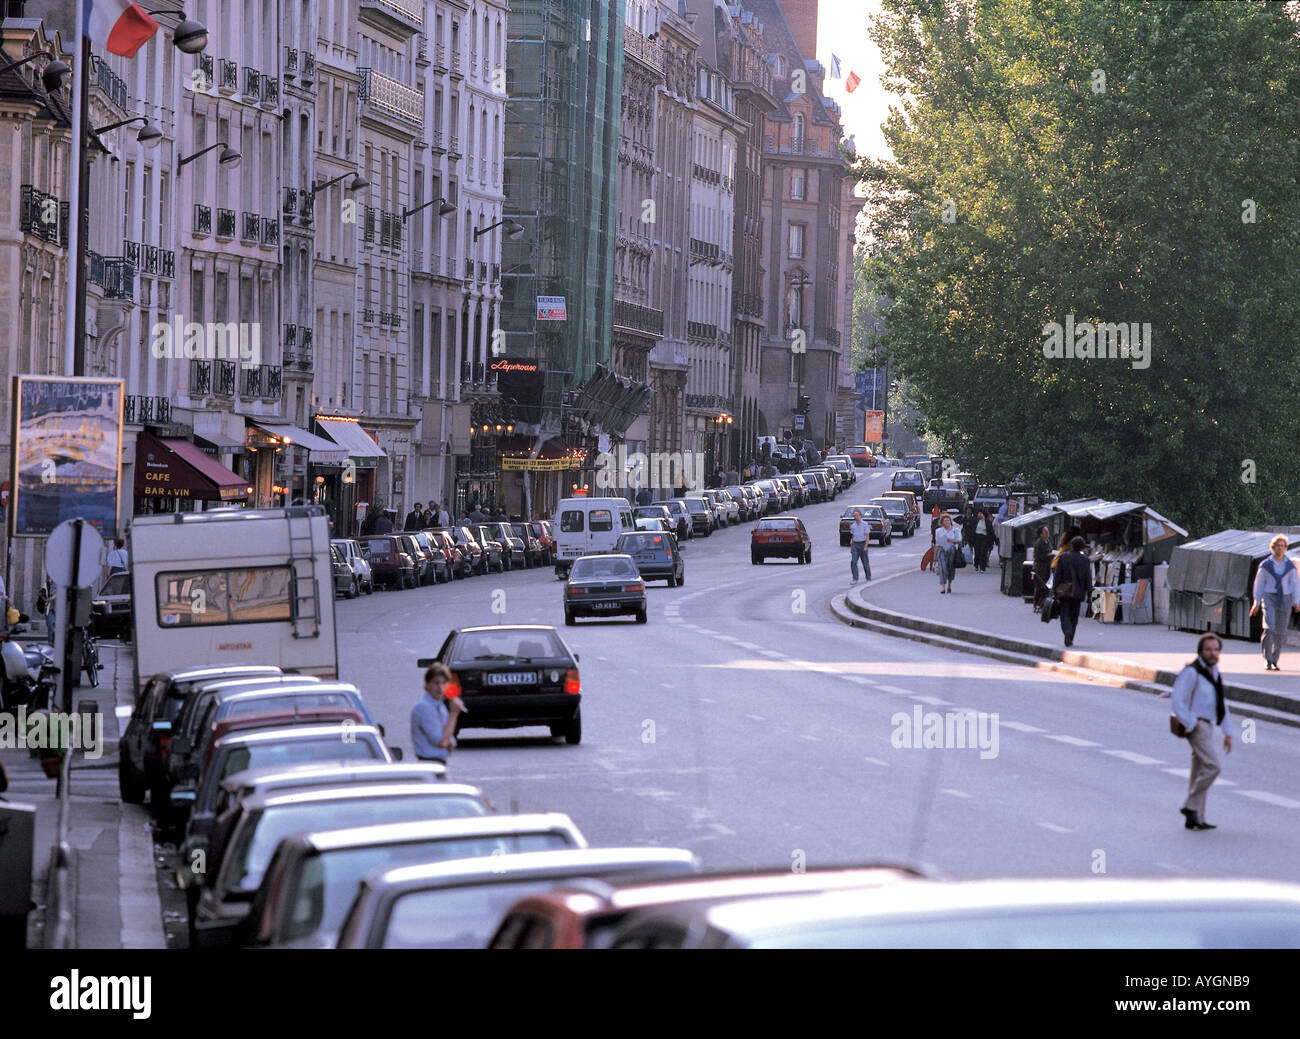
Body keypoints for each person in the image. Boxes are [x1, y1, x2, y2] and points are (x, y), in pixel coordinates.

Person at [1171, 633, 1232, 830]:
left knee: (1199, 770)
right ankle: (1190, 805)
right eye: (1208, 649)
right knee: (1213, 766)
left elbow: (1221, 703)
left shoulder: (1214, 672)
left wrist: (1227, 732)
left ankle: (1196, 818)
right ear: (1200, 651)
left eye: (1216, 649)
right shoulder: (1192, 672)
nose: (1213, 653)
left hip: (1209, 724)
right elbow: (1178, 699)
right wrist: (1191, 723)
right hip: (1197, 726)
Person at [1250, 535, 1300, 671]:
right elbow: (1259, 583)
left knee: (1281, 631)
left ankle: (1275, 658)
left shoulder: (1289, 566)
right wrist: (1256, 601)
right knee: (1269, 627)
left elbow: (1295, 584)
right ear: (1273, 548)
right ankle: (1267, 659)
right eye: (1277, 545)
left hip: (1285, 597)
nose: (1280, 548)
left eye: (1282, 545)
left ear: (1285, 548)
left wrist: (1296, 601)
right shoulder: (1266, 565)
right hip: (1269, 597)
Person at [410, 663, 466, 764]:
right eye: (436, 683)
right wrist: (454, 714)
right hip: (428, 762)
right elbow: (442, 742)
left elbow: (450, 742)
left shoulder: (440, 706)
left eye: (443, 683)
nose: (440, 688)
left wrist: (448, 740)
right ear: (426, 685)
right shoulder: (423, 707)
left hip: (440, 761)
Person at [1053, 536, 1093, 648]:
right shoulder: (1085, 560)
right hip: (1078, 592)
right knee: (1074, 616)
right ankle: (1070, 637)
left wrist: (1053, 590)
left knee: (1064, 614)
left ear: (1071, 545)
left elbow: (1057, 575)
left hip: (1064, 591)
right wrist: (1090, 593)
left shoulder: (1063, 557)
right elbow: (1088, 578)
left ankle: (1067, 630)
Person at [934, 514, 962, 593]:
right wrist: (935, 557)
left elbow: (959, 540)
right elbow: (937, 543)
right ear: (942, 522)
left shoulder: (956, 530)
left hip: (952, 550)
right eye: (945, 521)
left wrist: (951, 540)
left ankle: (949, 584)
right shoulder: (938, 531)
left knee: (950, 568)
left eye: (948, 520)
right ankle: (943, 587)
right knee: (942, 568)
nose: (947, 522)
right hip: (942, 550)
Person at [1032, 525, 1053, 612]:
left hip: (1048, 566)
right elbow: (1037, 557)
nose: (1047, 534)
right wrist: (1047, 555)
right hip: (1040, 567)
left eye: (1048, 532)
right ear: (1041, 534)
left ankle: (1042, 604)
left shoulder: (1047, 541)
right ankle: (1037, 604)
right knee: (1041, 586)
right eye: (1045, 532)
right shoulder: (1039, 543)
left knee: (1047, 586)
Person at [847, 509, 871, 585]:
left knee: (865, 562)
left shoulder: (865, 524)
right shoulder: (853, 526)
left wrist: (866, 546)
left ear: (860, 516)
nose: (856, 517)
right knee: (853, 562)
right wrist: (851, 547)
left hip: (863, 544)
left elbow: (867, 536)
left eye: (857, 515)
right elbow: (853, 537)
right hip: (855, 545)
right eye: (854, 515)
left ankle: (868, 577)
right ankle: (855, 578)